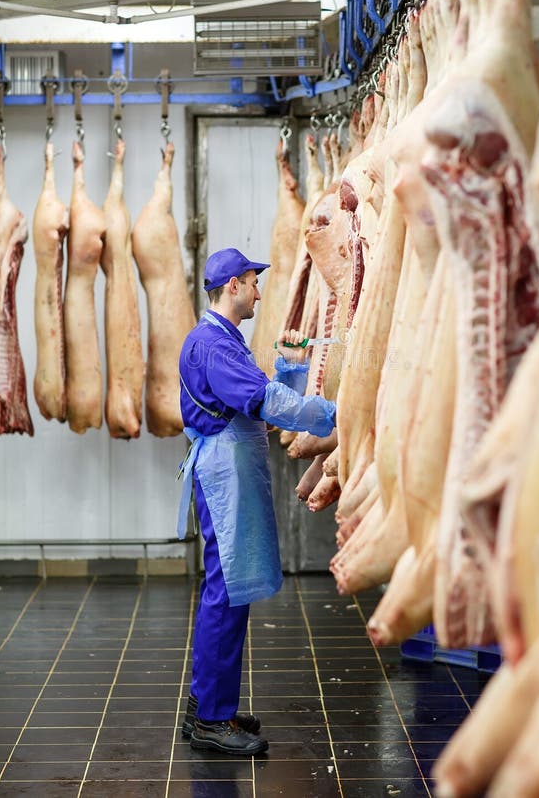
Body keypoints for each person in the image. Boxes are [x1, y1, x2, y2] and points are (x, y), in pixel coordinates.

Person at [177, 247, 336, 757]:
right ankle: (211, 720)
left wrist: (291, 368)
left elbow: (261, 403)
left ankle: (209, 703)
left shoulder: (226, 342)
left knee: (232, 588)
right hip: (225, 475)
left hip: (232, 471)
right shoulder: (212, 346)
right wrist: (337, 415)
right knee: (225, 591)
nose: (259, 291)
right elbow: (267, 403)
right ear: (232, 287)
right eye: (252, 282)